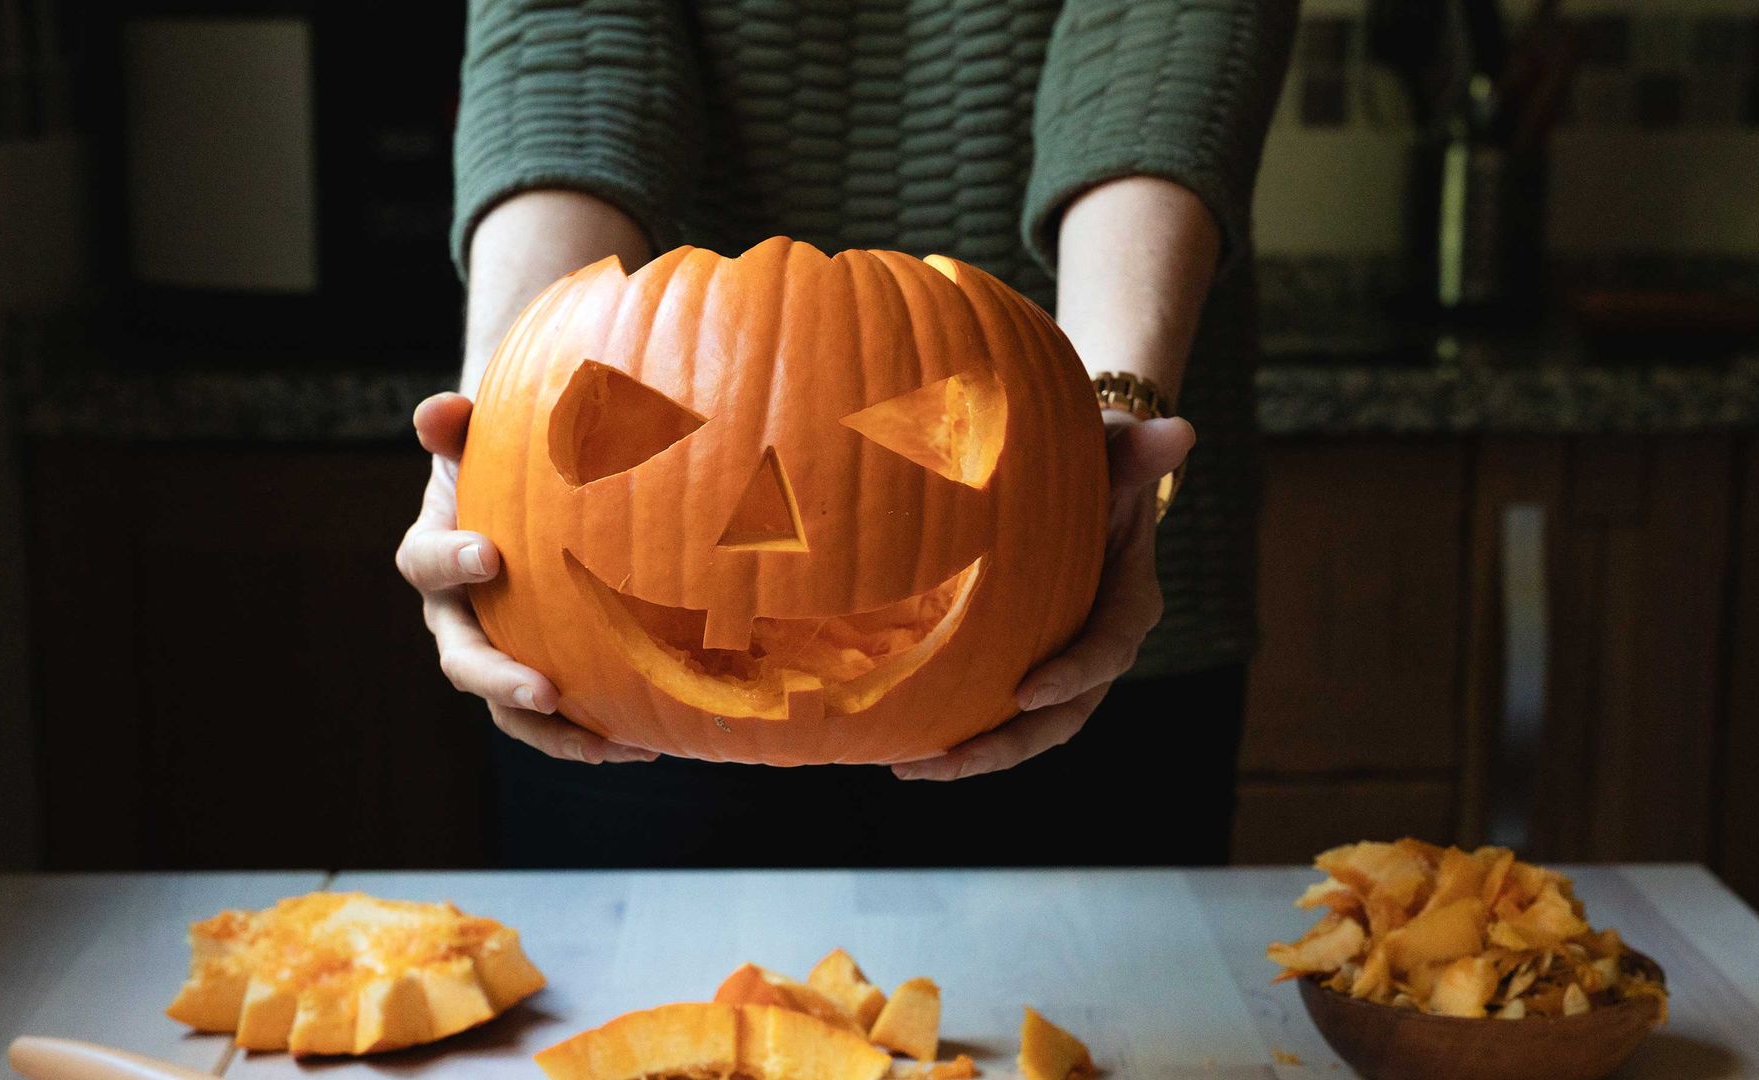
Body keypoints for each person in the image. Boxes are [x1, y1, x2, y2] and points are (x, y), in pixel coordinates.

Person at [396, 1, 1296, 868]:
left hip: (1064, 535)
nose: (772, 530)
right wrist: (504, 437)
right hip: (635, 518)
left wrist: (1105, 437)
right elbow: (572, 54)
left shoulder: (1069, 494)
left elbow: (1165, 40)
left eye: (912, 441)